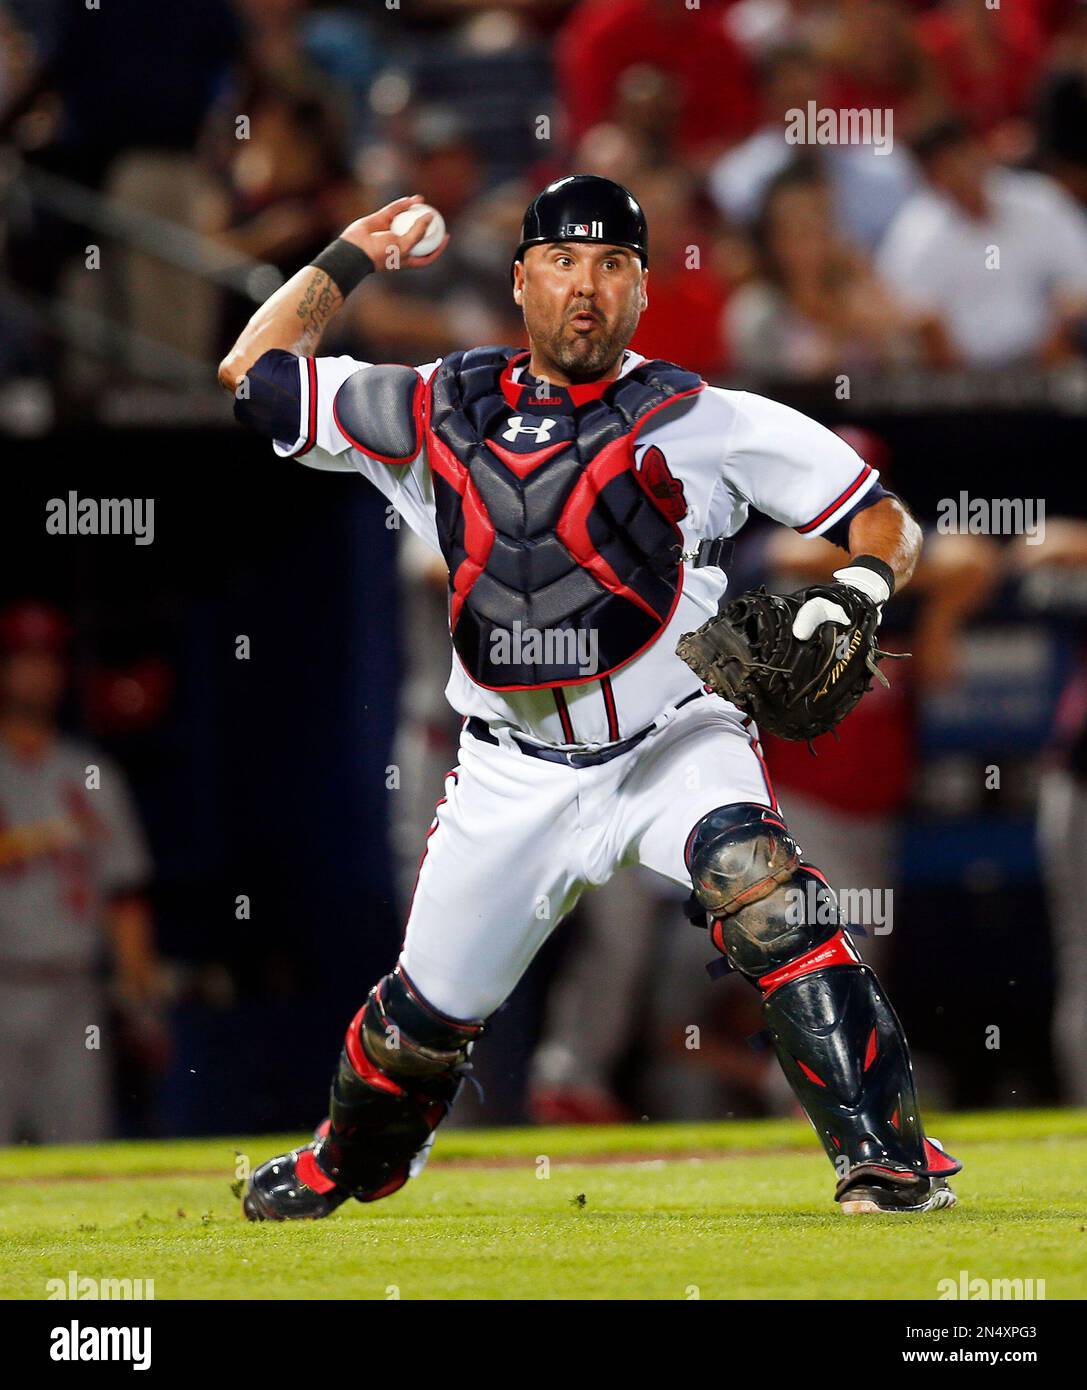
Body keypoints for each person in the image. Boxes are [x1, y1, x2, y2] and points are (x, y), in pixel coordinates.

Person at [220, 173, 961, 1220]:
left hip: (672, 738)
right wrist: (351, 252)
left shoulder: (699, 415)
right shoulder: (439, 401)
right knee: (416, 1027)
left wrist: (859, 585)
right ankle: (341, 1162)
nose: (586, 286)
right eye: (563, 261)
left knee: (763, 891)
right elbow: (250, 374)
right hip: (505, 770)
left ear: (641, 291)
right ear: (521, 278)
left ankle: (887, 1161)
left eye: (612, 264)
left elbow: (883, 514)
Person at [0, 602, 162, 1142]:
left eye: (47, 659)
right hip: (4, 981)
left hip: (73, 991)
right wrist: (39, 838)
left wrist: (140, 1003)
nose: (37, 673)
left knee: (80, 1149)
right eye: (22, 658)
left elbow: (125, 897)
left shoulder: (90, 774)